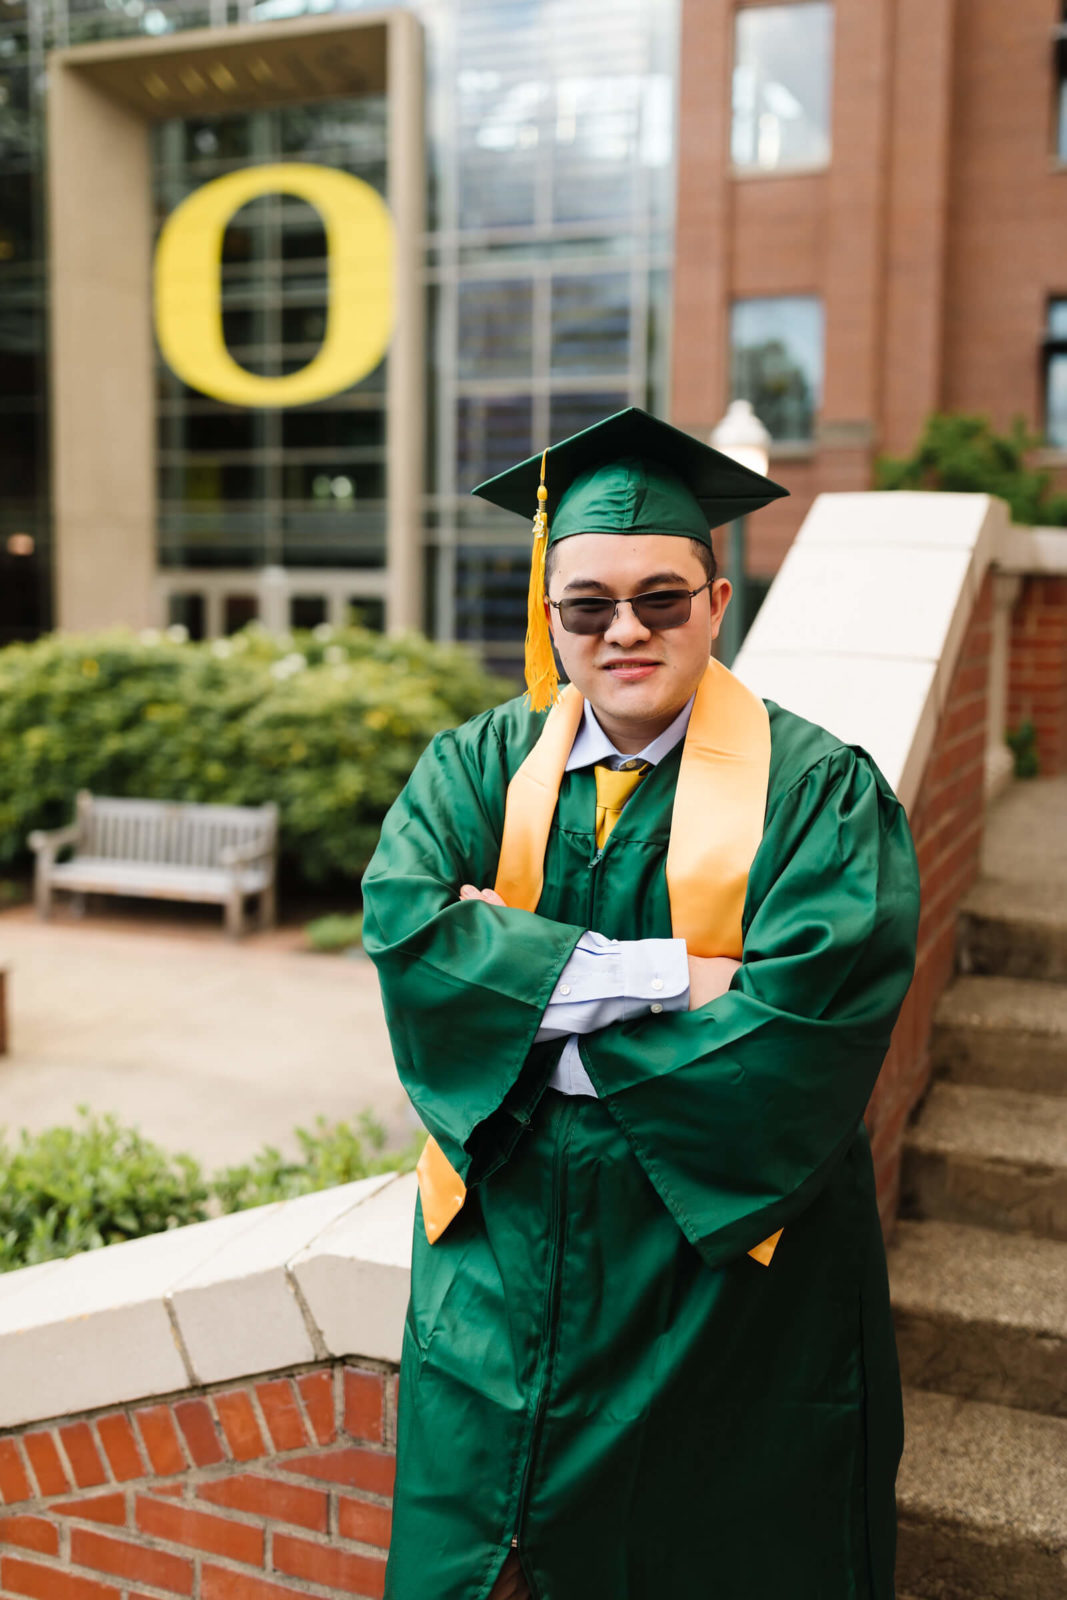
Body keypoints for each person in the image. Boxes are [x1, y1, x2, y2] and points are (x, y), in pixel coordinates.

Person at [361, 406, 920, 1600]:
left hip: (717, 1295)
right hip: (499, 1276)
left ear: (718, 602)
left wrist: (526, 1012)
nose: (624, 630)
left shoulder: (816, 792)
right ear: (549, 611)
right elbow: (408, 931)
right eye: (588, 604)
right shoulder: (475, 764)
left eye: (661, 598)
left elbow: (797, 1030)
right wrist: (667, 978)